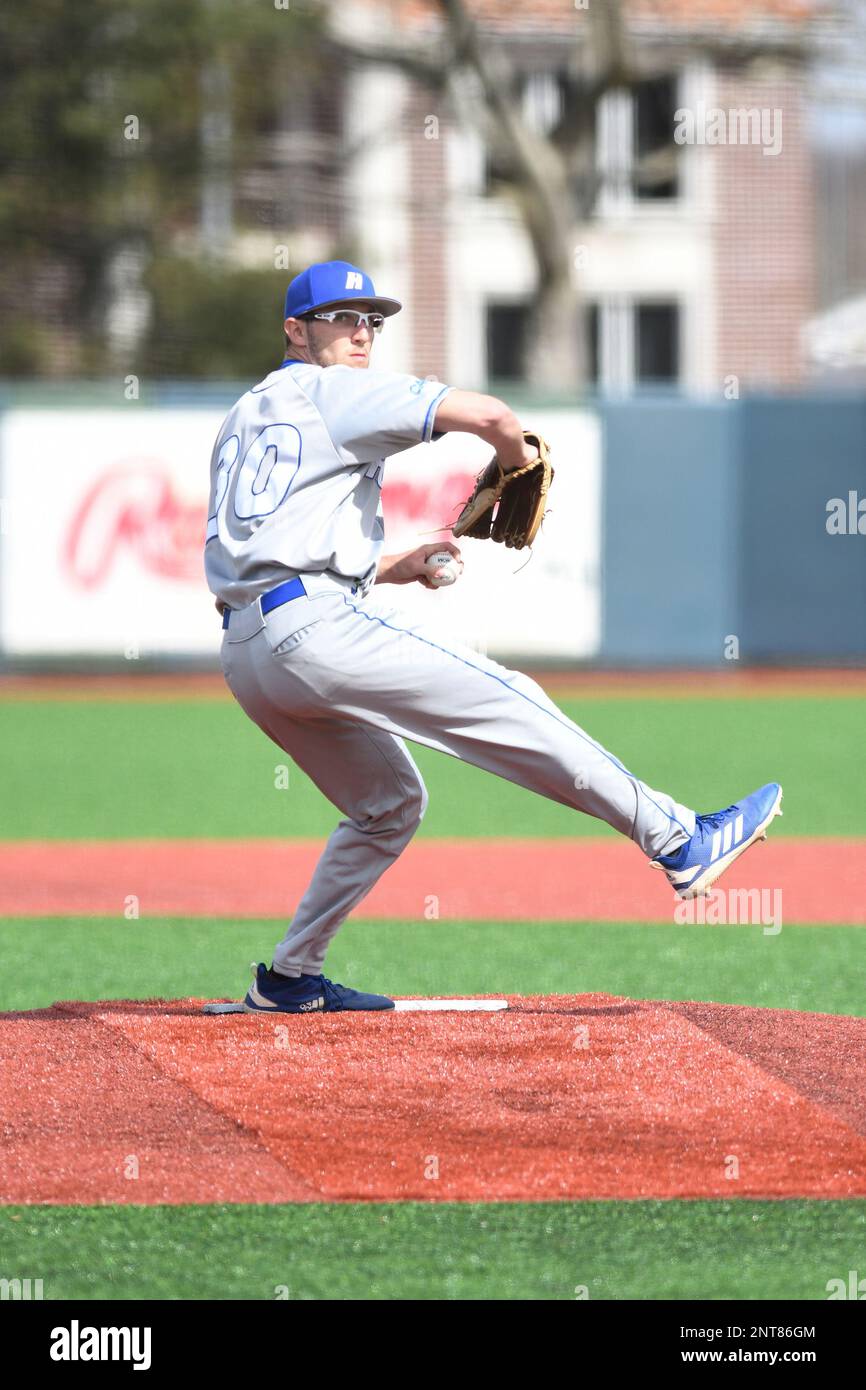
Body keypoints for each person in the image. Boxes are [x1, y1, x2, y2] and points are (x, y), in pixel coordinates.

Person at [204, 260, 782, 1015]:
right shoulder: (335, 388)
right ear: (295, 329)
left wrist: (393, 565)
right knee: (513, 696)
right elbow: (494, 416)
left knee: (387, 805)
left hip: (249, 652)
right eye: (340, 318)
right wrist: (515, 461)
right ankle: (678, 840)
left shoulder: (245, 416)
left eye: (369, 320)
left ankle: (288, 977)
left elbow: (271, 544)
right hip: (312, 631)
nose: (359, 333)